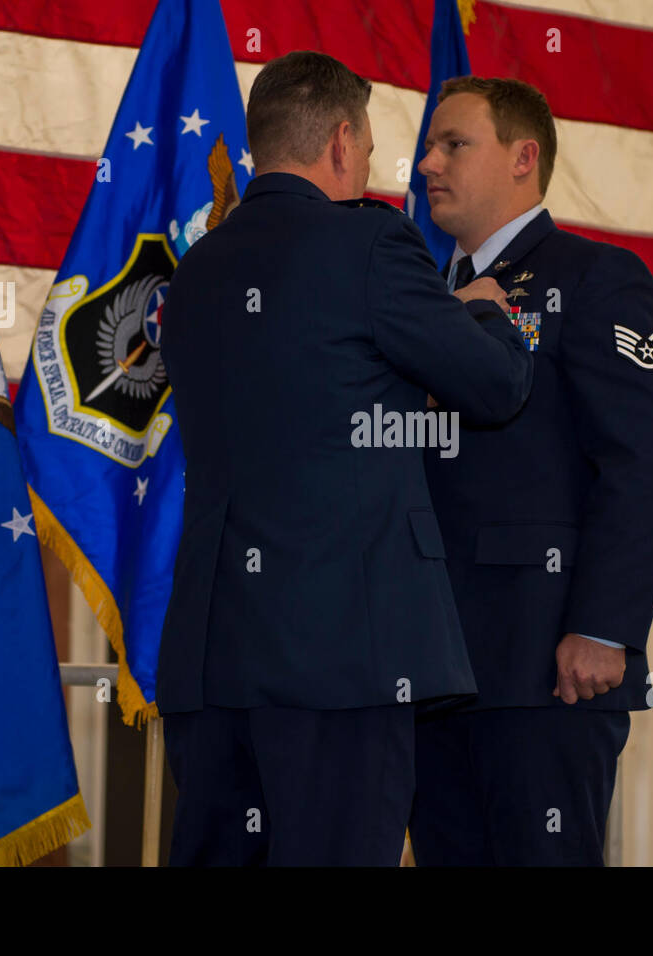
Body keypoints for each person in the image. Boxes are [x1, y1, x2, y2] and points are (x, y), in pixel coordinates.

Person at [154, 52, 534, 866]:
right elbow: (498, 387)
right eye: (365, 148)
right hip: (340, 664)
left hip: (212, 661)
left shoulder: (196, 272)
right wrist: (483, 312)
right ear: (337, 143)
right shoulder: (368, 244)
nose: (369, 166)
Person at [409, 76, 653, 865]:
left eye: (453, 144)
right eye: (430, 145)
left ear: (523, 157)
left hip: (546, 669)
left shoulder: (597, 278)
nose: (428, 162)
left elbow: (646, 461)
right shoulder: (426, 299)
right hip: (434, 666)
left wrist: (604, 627)